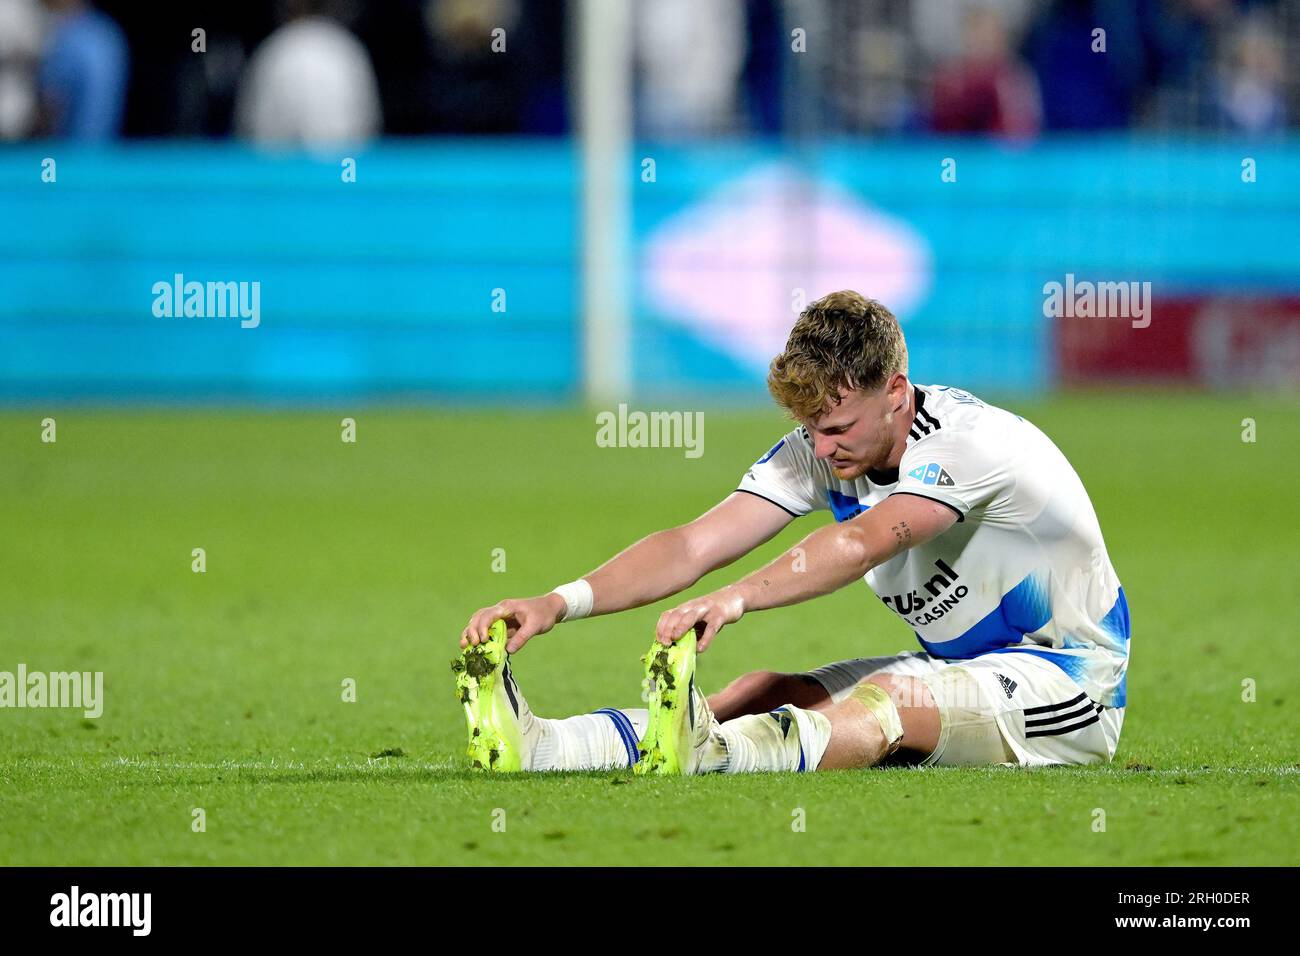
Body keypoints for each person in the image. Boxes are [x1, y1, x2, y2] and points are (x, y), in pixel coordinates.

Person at [456, 291, 1129, 774]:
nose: (822, 447)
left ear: (896, 391)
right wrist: (557, 602)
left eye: (837, 428)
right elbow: (693, 545)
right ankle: (550, 747)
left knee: (891, 705)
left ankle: (717, 760)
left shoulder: (967, 445)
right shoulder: (825, 448)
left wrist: (737, 598)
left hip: (1068, 687)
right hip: (964, 667)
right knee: (763, 692)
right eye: (810, 428)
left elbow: (863, 541)